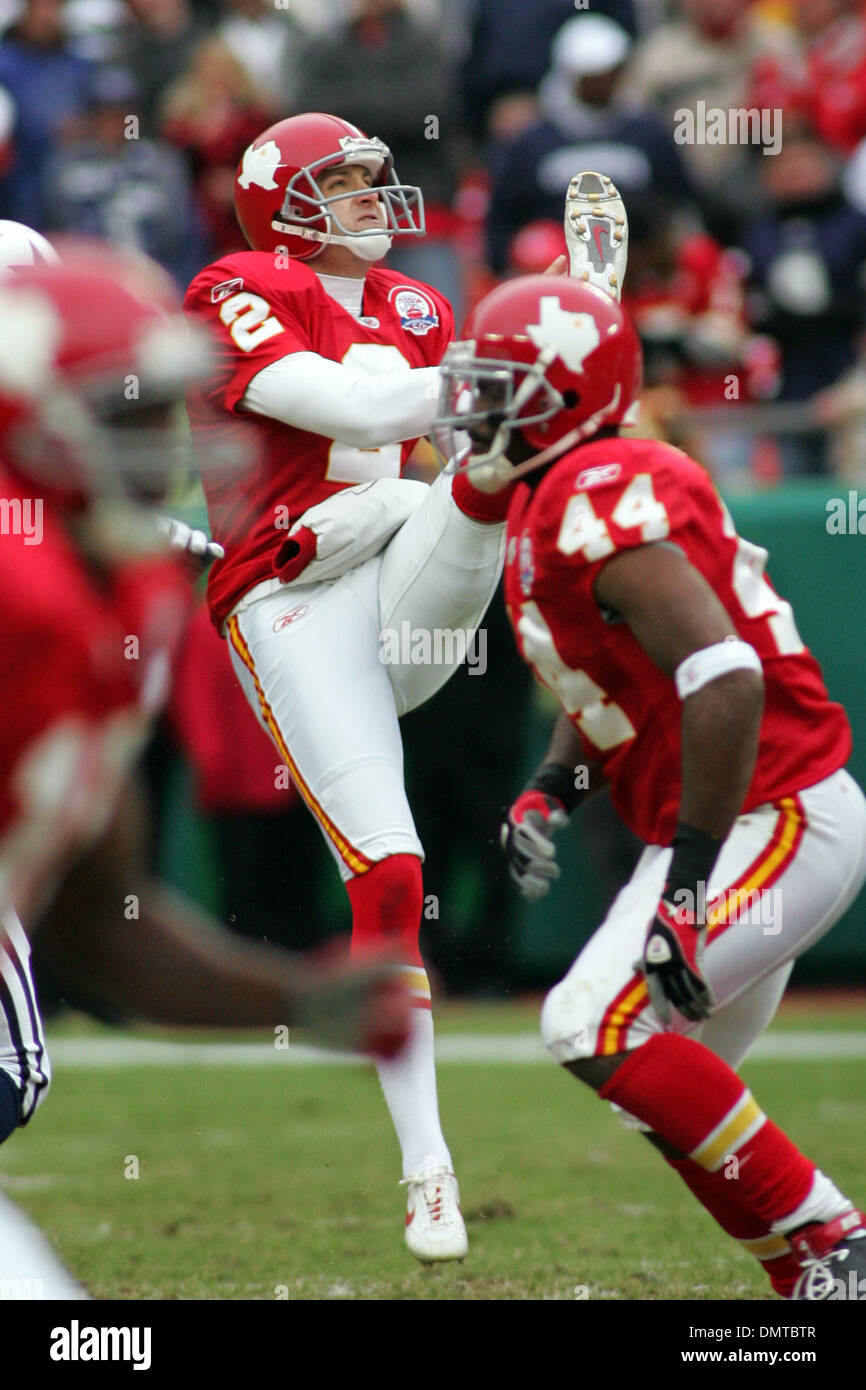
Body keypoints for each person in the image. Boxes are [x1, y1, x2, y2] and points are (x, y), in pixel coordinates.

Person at [434, 271, 866, 1299]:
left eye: (498, 389)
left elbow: (720, 674)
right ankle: (800, 1279)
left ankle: (835, 1238)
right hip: (740, 816)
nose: (474, 411)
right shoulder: (564, 496)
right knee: (650, 1085)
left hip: (777, 812)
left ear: (560, 399)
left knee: (589, 1023)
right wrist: (550, 787)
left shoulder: (591, 492)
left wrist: (684, 883)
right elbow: (621, 693)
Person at [0, 241, 411, 1296]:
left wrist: (295, 998)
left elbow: (97, 916)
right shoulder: (24, 598)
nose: (161, 442)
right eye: (124, 414)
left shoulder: (117, 591)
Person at [183, 110, 524, 1262]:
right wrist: (501, 370)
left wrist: (534, 397)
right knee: (391, 870)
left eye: (379, 179)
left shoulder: (419, 306)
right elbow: (370, 411)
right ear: (281, 202)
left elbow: (439, 448)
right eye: (345, 184)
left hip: (398, 581)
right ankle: (427, 1170)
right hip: (296, 601)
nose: (377, 198)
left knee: (484, 481)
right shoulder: (233, 284)